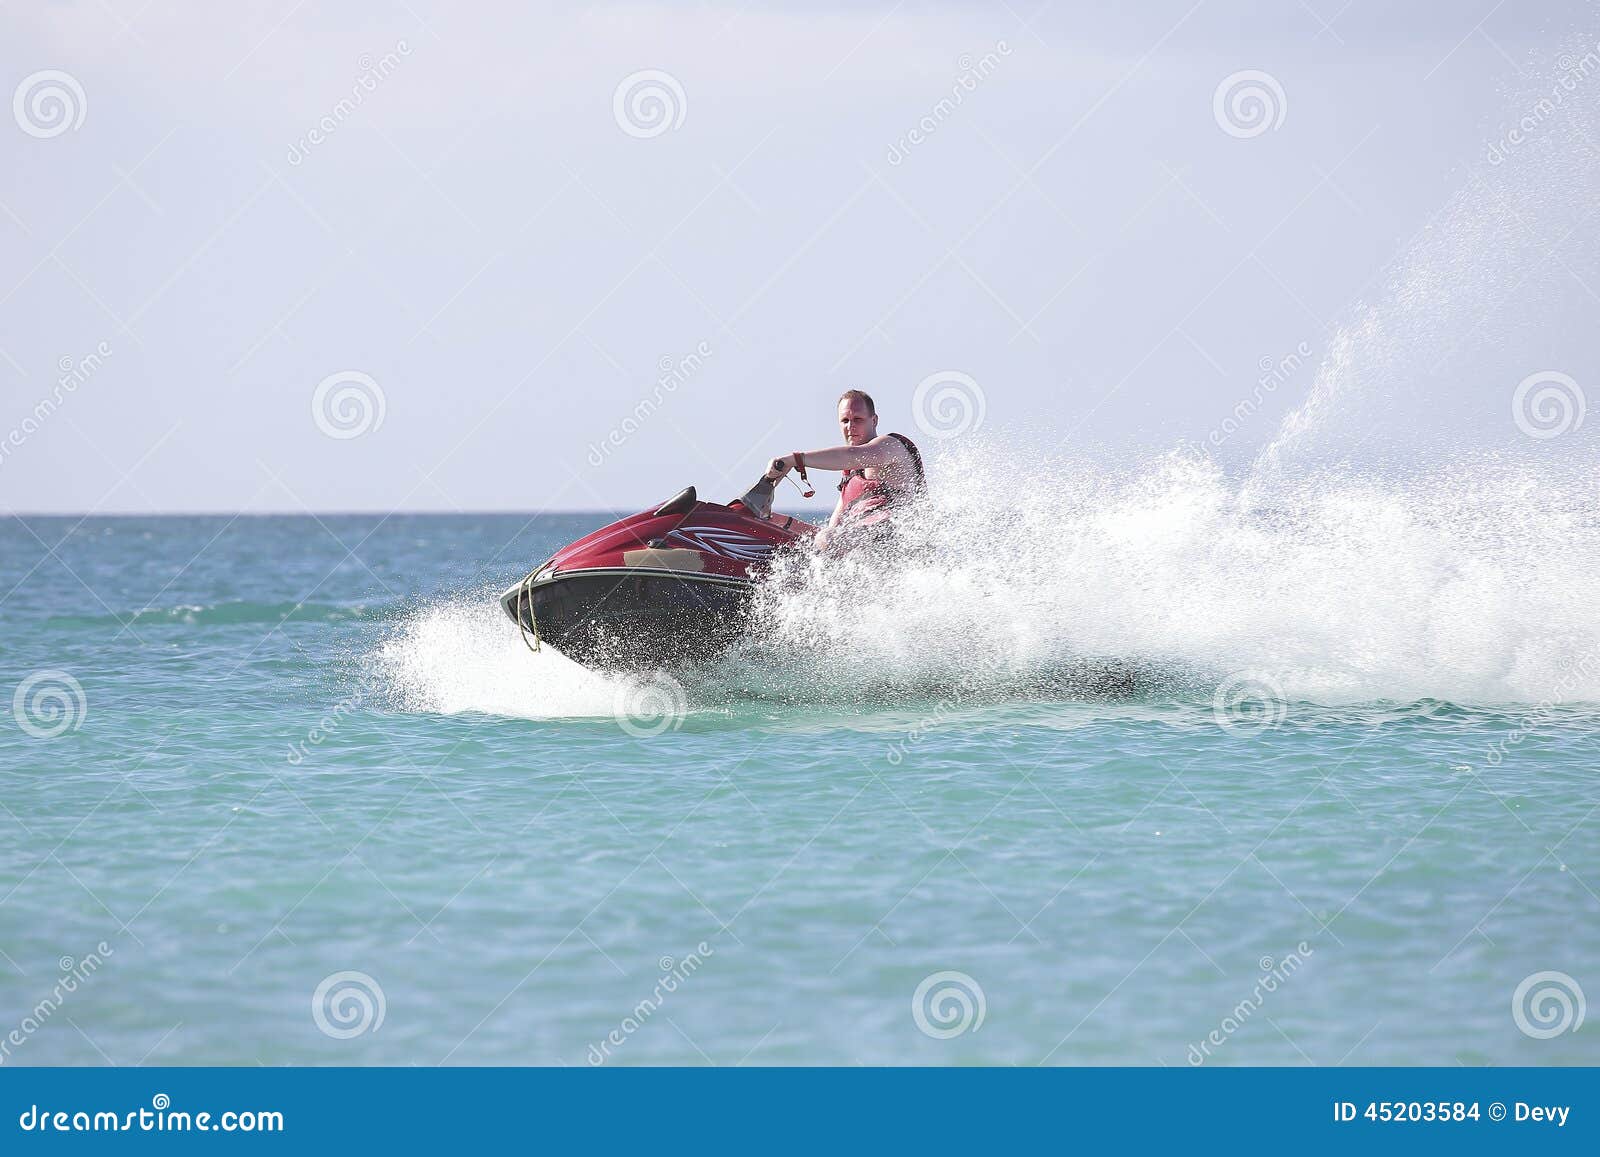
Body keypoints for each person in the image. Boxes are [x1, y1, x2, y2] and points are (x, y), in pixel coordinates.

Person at [765, 390, 925, 553]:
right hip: (863, 550)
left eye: (858, 419)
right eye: (845, 421)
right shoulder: (850, 475)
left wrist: (795, 460)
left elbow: (852, 455)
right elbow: (831, 531)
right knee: (783, 527)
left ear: (874, 420)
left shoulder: (892, 446)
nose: (850, 427)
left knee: (828, 539)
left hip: (900, 542)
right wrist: (775, 521)